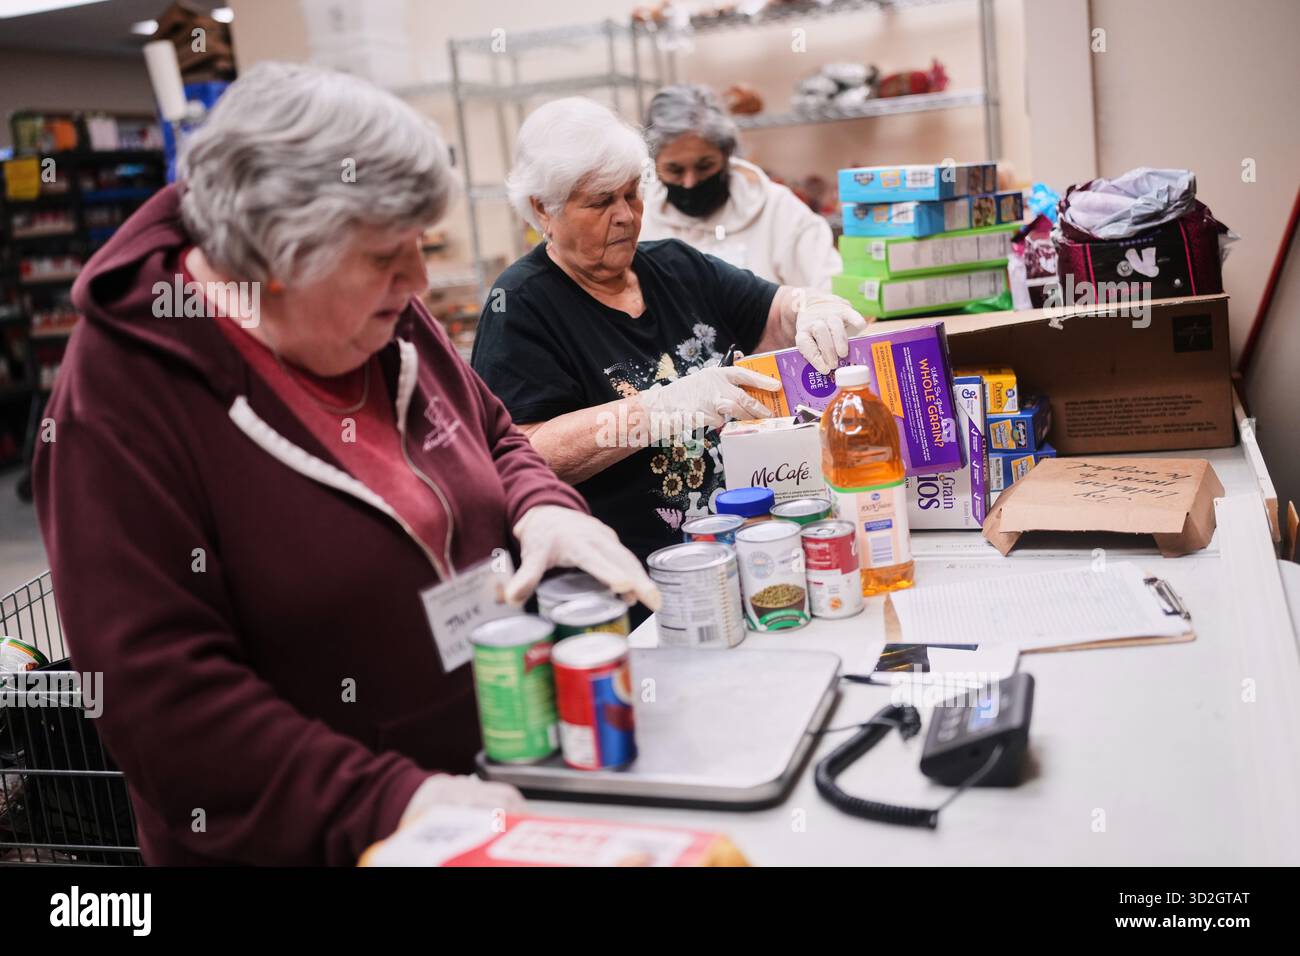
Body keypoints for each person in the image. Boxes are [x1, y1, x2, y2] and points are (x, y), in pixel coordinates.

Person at [32, 63, 656, 866]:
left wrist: (544, 507)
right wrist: (394, 803)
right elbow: (161, 701)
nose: (420, 281)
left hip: (494, 780)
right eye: (388, 256)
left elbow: (493, 433)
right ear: (271, 258)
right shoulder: (120, 400)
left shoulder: (381, 312)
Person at [471, 96, 869, 581]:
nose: (626, 216)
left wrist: (811, 307)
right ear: (543, 210)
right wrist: (657, 410)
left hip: (744, 553)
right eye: (600, 201)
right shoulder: (521, 304)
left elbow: (775, 312)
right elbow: (523, 452)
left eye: (631, 194)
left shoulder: (677, 266)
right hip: (626, 584)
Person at [638, 84, 841, 291]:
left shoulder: (778, 210)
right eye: (675, 170)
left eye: (705, 166)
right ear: (654, 163)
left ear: (726, 154)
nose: (690, 183)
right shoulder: (642, 221)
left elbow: (831, 291)